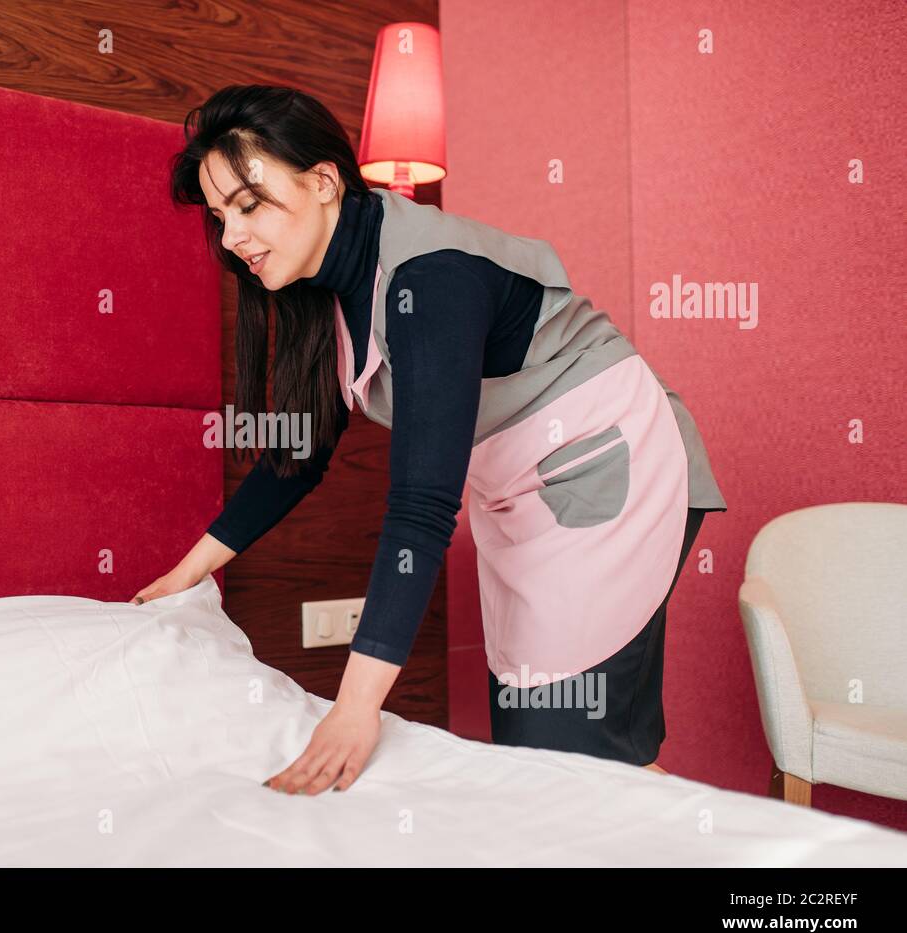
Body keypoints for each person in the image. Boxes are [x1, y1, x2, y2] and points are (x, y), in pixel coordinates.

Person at [132, 85, 727, 794]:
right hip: (522, 492)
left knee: (564, 754)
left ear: (324, 181)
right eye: (221, 215)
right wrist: (187, 574)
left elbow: (421, 503)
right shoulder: (322, 290)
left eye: (250, 205)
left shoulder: (429, 276)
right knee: (562, 749)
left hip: (607, 470)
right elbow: (302, 453)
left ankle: (772, 855)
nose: (231, 238)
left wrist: (357, 708)